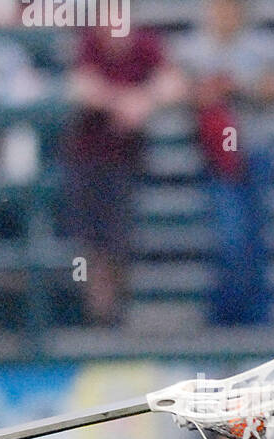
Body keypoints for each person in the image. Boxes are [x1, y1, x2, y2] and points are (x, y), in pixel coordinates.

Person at [62, 24, 184, 327]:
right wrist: (121, 102)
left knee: (119, 241)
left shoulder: (144, 40)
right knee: (91, 242)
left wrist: (144, 99)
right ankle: (96, 316)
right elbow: (80, 86)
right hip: (88, 158)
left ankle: (115, 315)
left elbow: (174, 83)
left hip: (126, 161)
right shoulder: (89, 40)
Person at [180, 0, 274, 327]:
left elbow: (272, 92)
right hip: (218, 158)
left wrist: (241, 86)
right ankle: (224, 317)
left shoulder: (259, 45)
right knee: (229, 237)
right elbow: (184, 94)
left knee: (255, 236)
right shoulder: (194, 47)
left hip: (254, 150)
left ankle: (257, 318)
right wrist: (209, 91)